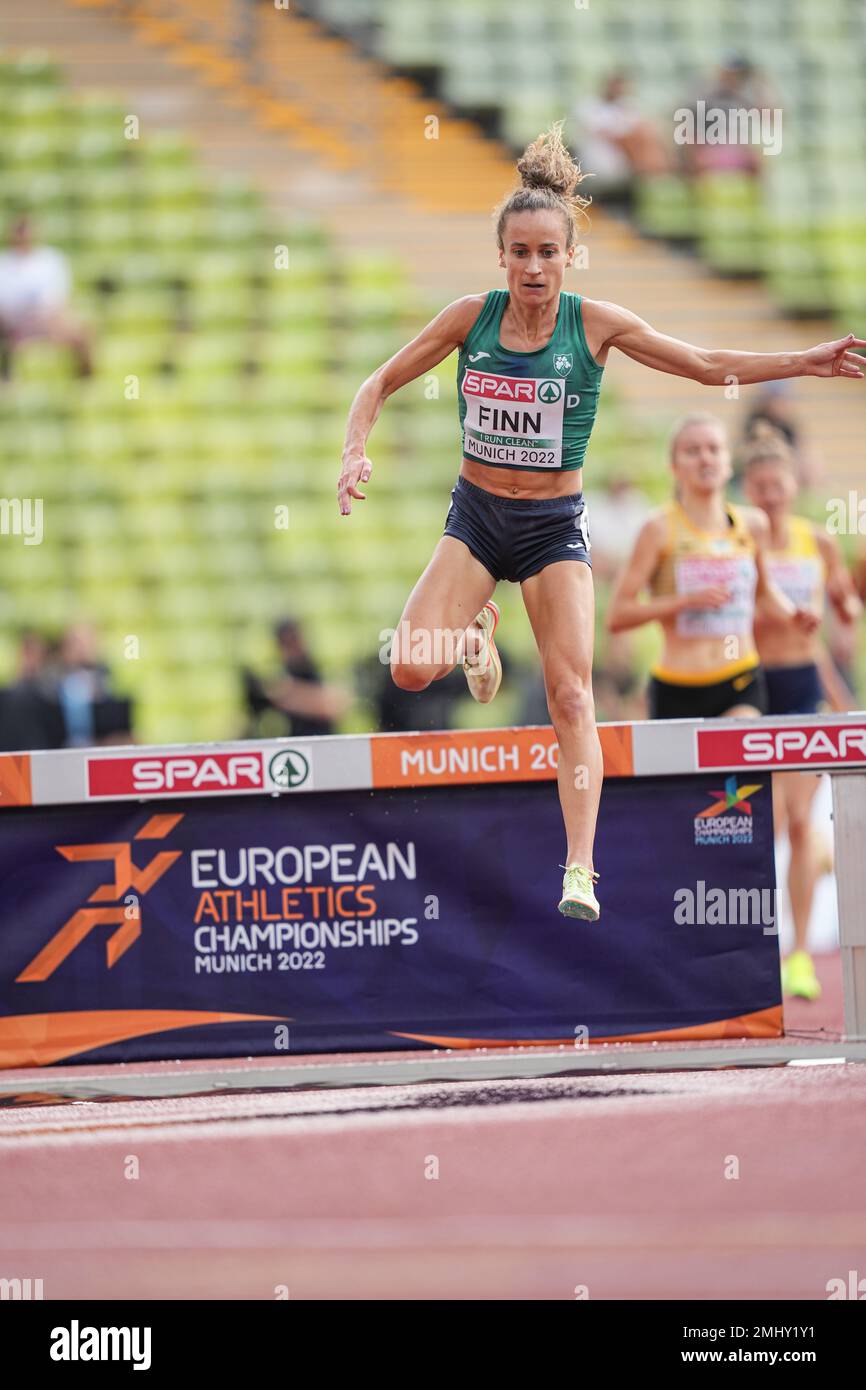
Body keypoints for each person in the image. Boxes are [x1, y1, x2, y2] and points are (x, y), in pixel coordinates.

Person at [336, 121, 865, 922]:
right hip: (477, 517)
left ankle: (579, 867)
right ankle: (476, 635)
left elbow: (705, 364)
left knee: (573, 696)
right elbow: (377, 382)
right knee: (409, 667)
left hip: (553, 528)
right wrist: (354, 451)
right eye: (521, 252)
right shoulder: (468, 319)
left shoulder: (597, 325)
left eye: (550, 252)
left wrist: (802, 360)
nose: (535, 267)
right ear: (502, 256)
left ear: (569, 256)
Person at [742, 436, 862, 1000]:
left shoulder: (818, 540)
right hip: (750, 682)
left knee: (797, 823)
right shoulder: (740, 539)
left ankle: (797, 957)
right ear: (748, 490)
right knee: (752, 825)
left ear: (793, 486)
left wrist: (847, 610)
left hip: (802, 686)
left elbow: (841, 603)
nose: (768, 496)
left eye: (777, 486)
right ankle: (751, 949)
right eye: (759, 487)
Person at [606, 414, 822, 720]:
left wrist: (794, 613)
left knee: (742, 751)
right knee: (692, 769)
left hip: (739, 677)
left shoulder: (753, 523)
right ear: (674, 467)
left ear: (728, 463)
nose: (705, 458)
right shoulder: (658, 529)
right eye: (692, 451)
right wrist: (685, 602)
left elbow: (763, 593)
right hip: (677, 687)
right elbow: (619, 615)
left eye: (714, 449)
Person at [0, 215, 92, 379]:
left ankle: (85, 380)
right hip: (14, 322)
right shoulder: (4, 264)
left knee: (84, 333)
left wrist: (44, 317)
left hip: (47, 320)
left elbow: (58, 299)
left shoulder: (51, 260)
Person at [243, 617, 349, 738]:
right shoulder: (280, 672)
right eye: (286, 643)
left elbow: (335, 705)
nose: (294, 648)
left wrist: (291, 694)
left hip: (323, 740)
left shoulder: (316, 666)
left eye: (294, 640)